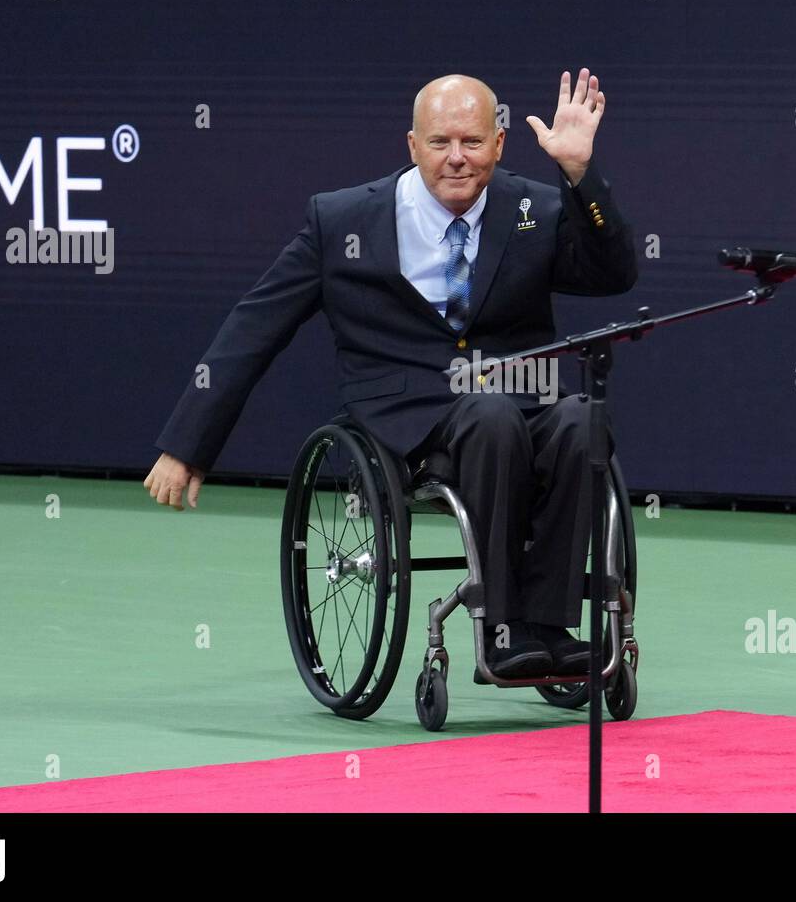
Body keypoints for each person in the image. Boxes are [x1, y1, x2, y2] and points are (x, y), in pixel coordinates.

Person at [144, 69, 637, 680]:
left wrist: (578, 174)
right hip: (411, 418)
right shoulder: (342, 220)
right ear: (411, 145)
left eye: (473, 142)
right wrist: (187, 445)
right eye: (440, 143)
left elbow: (614, 275)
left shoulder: (531, 206)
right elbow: (254, 328)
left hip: (519, 401)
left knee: (578, 419)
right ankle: (502, 630)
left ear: (500, 143)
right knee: (491, 417)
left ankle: (548, 626)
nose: (457, 159)